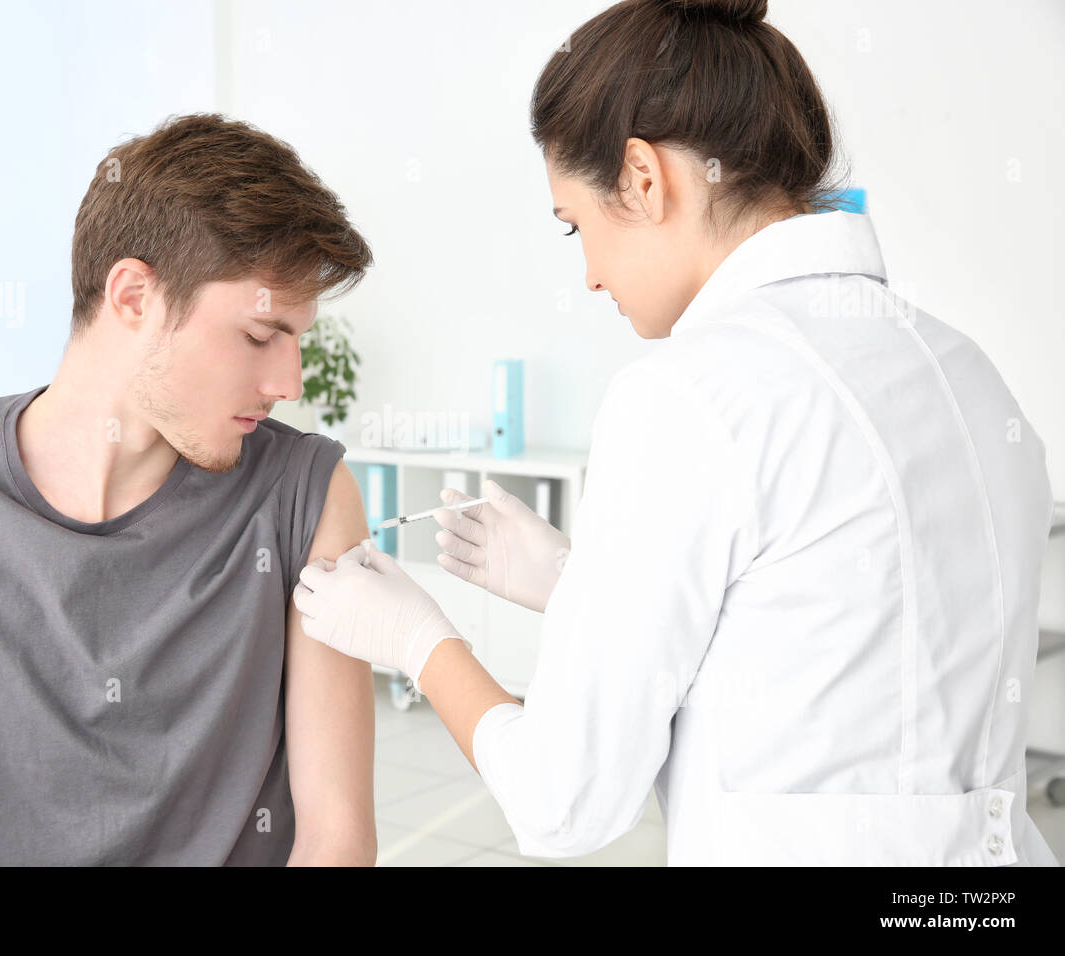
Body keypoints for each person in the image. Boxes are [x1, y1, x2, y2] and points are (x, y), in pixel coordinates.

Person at [293, 0, 1060, 865]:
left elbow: (564, 803)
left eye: (575, 225)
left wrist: (418, 641)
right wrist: (584, 588)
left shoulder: (690, 394)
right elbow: (833, 642)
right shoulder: (964, 373)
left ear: (643, 178)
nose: (586, 274)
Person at [0, 113, 379, 865]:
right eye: (259, 336)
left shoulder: (306, 494)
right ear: (135, 296)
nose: (289, 382)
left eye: (297, 341)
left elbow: (335, 838)